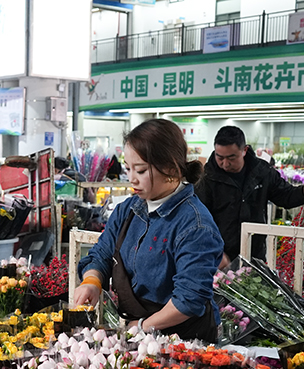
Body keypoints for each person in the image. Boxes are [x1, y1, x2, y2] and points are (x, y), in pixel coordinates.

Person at [73, 118, 224, 343]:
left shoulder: (195, 225)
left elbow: (188, 299)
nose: (132, 178)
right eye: (128, 169)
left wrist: (143, 326)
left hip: (185, 341)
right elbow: (102, 253)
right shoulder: (128, 210)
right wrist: (92, 281)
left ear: (171, 168)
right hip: (140, 333)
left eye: (141, 170)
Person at [196, 125, 304, 267]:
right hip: (219, 257)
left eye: (231, 157)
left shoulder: (261, 172)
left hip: (255, 253)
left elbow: (284, 195)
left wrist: (303, 191)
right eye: (220, 157)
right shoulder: (206, 178)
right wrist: (212, 251)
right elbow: (199, 218)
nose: (225, 163)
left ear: (244, 150)